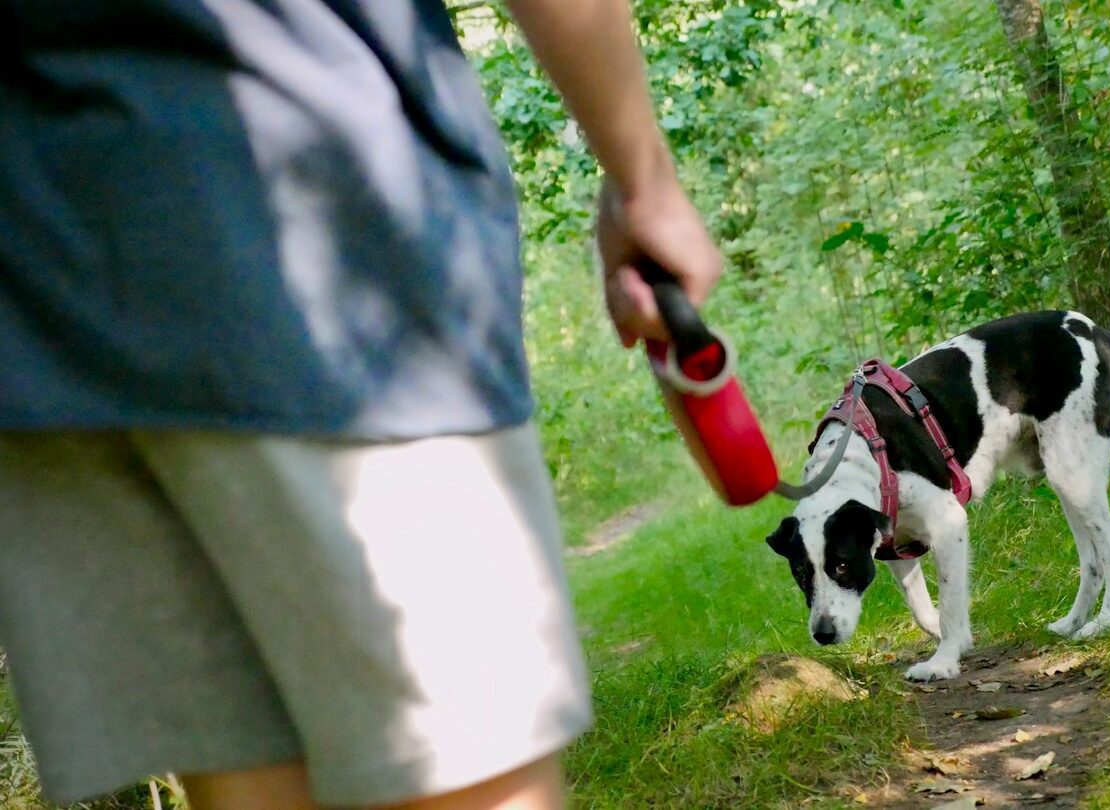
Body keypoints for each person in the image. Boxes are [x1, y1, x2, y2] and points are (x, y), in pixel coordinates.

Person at [0, 0, 721, 807]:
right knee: (471, 775)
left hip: (45, 298)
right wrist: (644, 179)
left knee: (254, 783)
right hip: (323, 245)